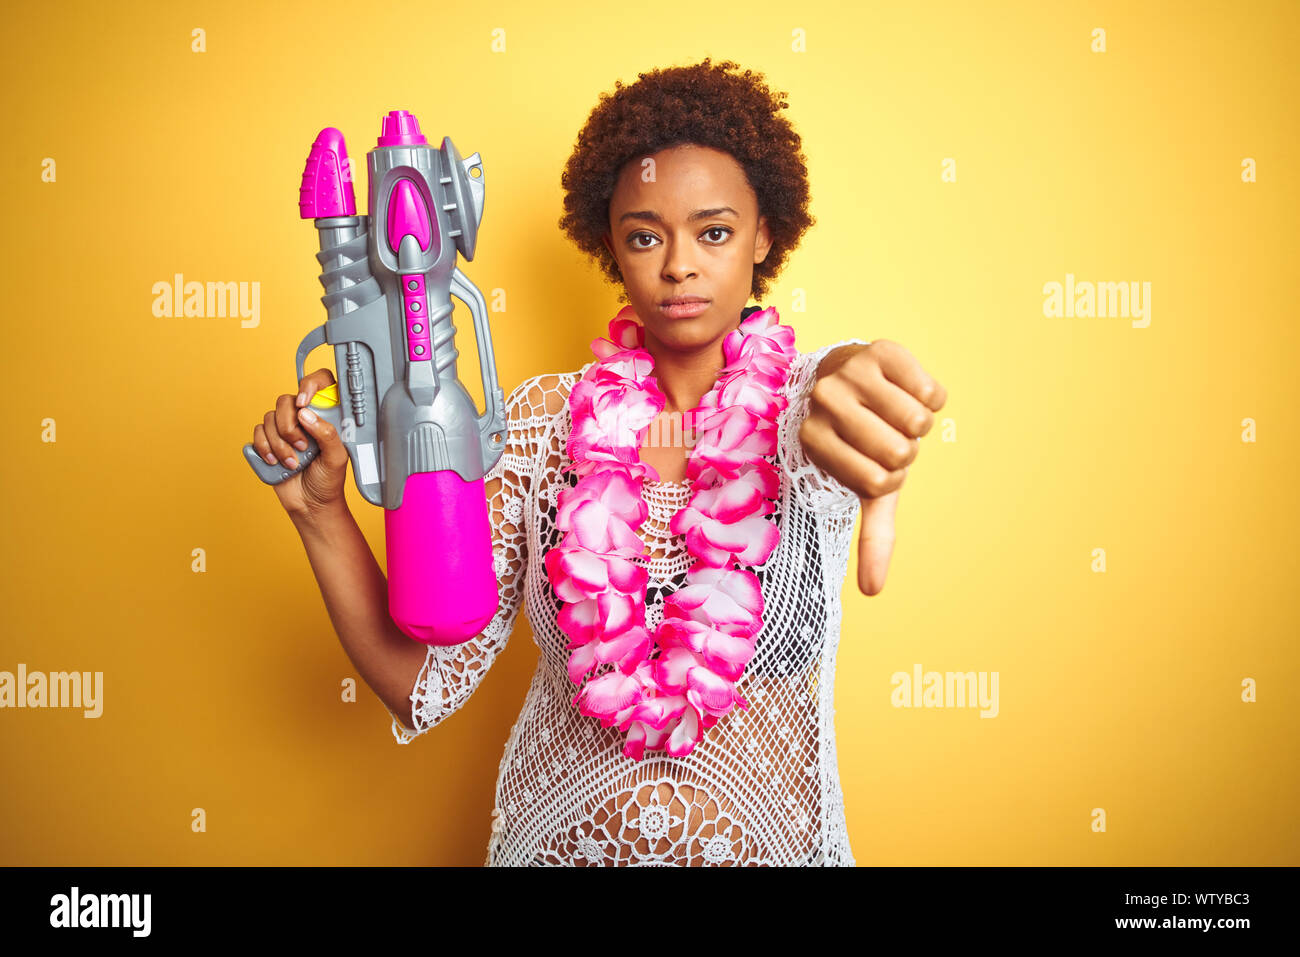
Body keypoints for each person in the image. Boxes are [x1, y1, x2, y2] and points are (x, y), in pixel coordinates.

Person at [250, 57, 946, 866]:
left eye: (713, 231)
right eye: (645, 235)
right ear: (611, 246)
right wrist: (320, 513)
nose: (678, 264)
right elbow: (420, 682)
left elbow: (841, 389)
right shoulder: (544, 428)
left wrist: (854, 370)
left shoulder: (802, 414)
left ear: (764, 234)